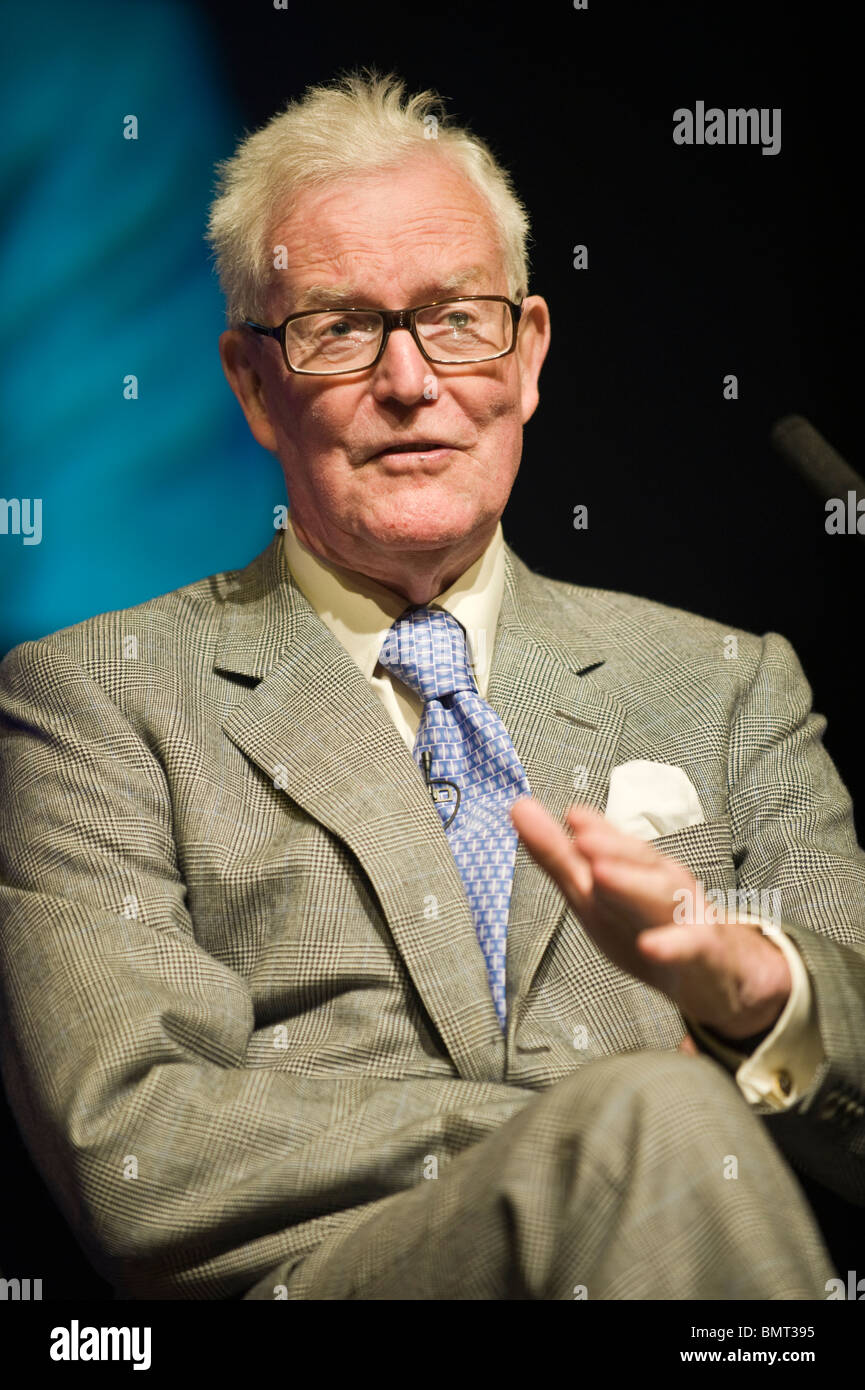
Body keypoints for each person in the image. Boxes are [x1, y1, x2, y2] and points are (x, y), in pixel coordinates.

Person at [0, 70, 863, 1302]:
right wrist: (591, 1137)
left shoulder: (727, 684)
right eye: (343, 328)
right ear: (251, 385)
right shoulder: (94, 699)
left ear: (528, 356)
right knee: (650, 1119)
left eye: (458, 316)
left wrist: (763, 999)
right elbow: (136, 1149)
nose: (411, 382)